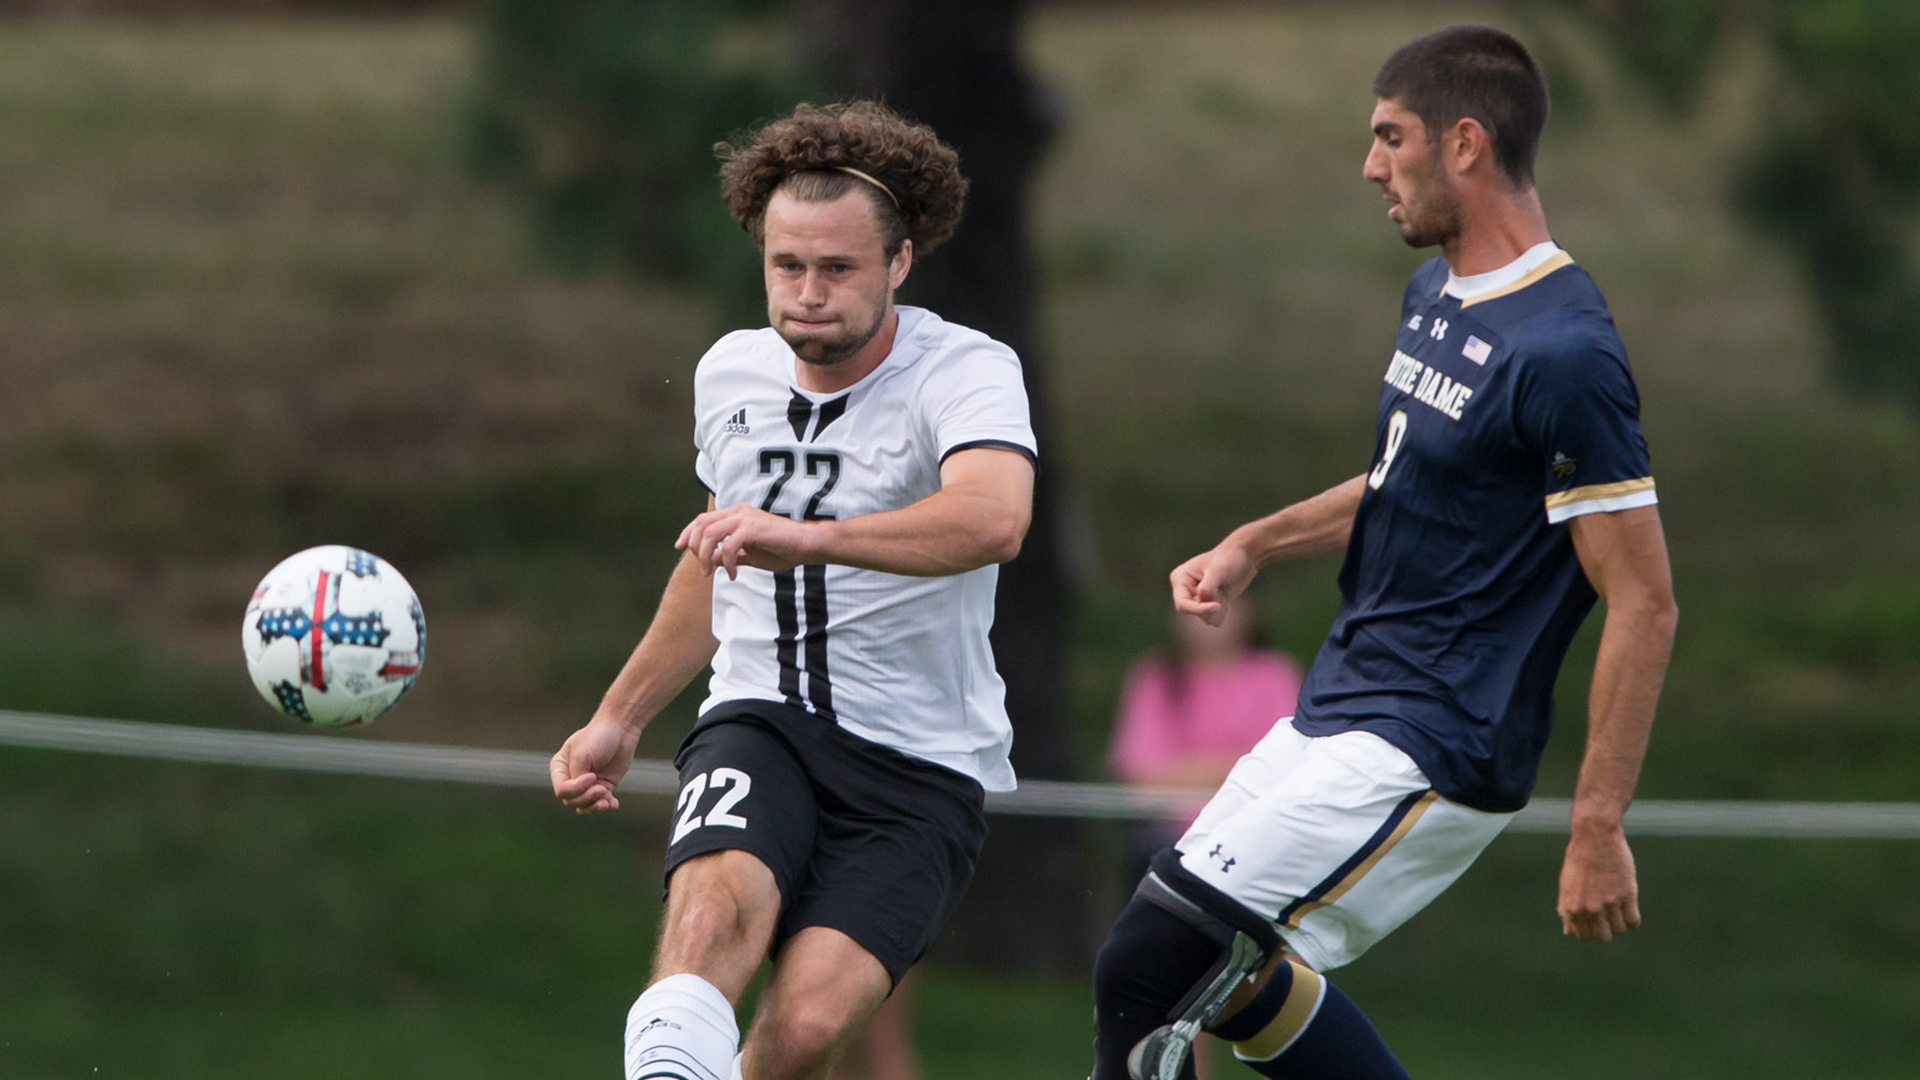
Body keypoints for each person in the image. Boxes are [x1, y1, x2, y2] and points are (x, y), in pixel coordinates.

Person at [1088, 25, 1678, 1080]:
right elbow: (1411, 483)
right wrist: (1254, 544)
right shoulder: (1435, 299)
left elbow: (1642, 598)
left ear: (1464, 143)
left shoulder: (1567, 352)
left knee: (1151, 959)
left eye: (1388, 136)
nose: (1370, 166)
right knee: (1234, 982)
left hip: (1436, 740)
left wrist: (1597, 824)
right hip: (1342, 703)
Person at [548, 100, 1037, 1080]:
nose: (808, 293)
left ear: (899, 263)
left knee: (809, 1028)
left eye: (838, 269)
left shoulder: (967, 371)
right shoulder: (730, 370)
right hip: (759, 717)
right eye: (787, 266)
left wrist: (808, 538)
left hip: (919, 763)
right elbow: (714, 556)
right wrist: (619, 715)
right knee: (711, 916)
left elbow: (994, 519)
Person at [1109, 593, 1304, 879]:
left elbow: (1290, 767)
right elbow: (1140, 779)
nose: (1205, 616)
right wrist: (1238, 765)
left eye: (1221, 601)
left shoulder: (1275, 674)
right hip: (1171, 844)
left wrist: (1187, 769)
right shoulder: (1155, 676)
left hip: (1259, 839)